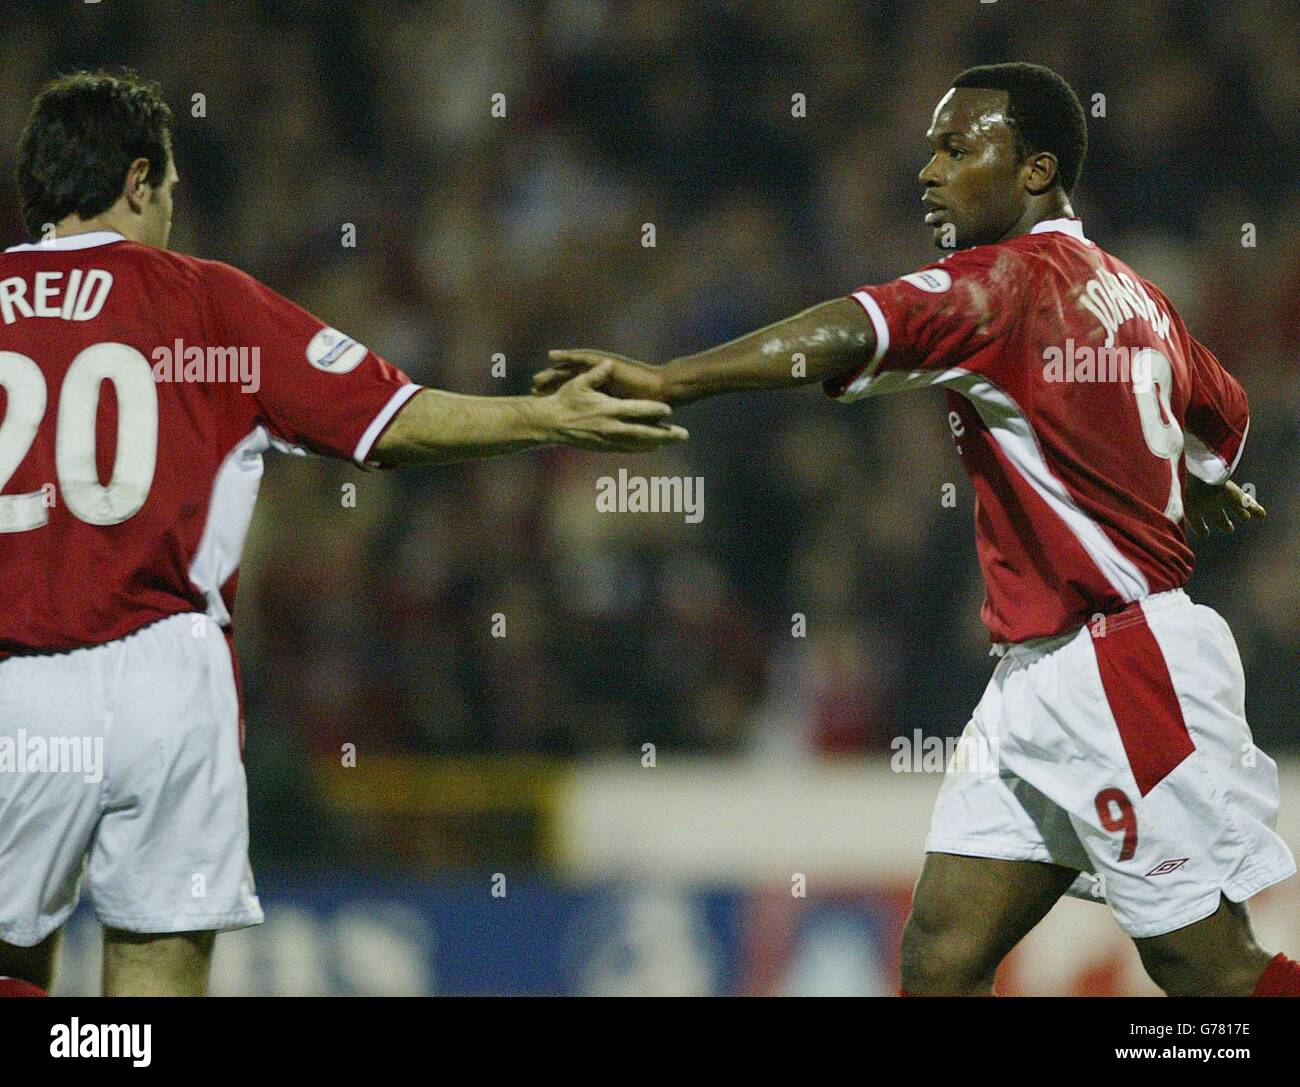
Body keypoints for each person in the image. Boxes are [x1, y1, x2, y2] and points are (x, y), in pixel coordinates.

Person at [535, 62, 1299, 997]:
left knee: (1211, 971)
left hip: (1119, 663)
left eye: (956, 147)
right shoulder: (1140, 295)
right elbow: (1225, 416)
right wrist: (1197, 479)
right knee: (939, 959)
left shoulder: (1006, 282)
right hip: (1037, 680)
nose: (929, 172)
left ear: (1035, 170)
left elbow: (850, 327)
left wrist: (671, 379)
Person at [0, 69, 686, 997]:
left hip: (18, 684)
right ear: (137, 180)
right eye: (168, 191)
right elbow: (390, 420)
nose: (169, 213)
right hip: (168, 678)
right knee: (155, 980)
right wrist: (548, 419)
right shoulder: (209, 301)